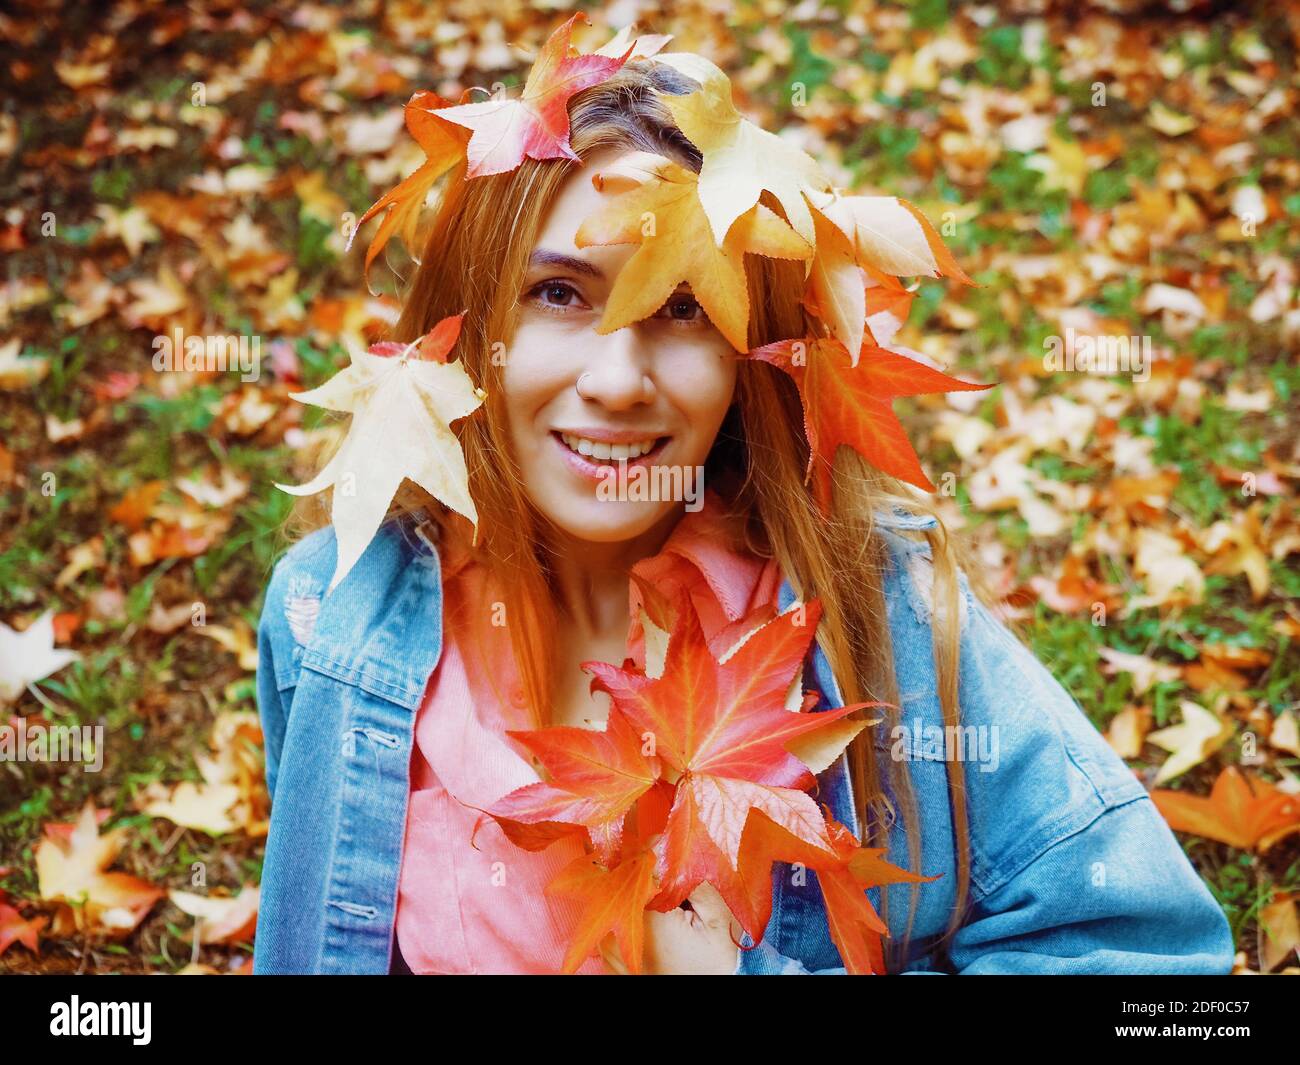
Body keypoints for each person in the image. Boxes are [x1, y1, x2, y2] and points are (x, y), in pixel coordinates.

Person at [251, 23, 1234, 976]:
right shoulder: (329, 618)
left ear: (747, 352)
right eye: (558, 293)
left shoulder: (872, 617)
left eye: (680, 307)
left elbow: (1149, 960)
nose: (617, 379)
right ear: (466, 329)